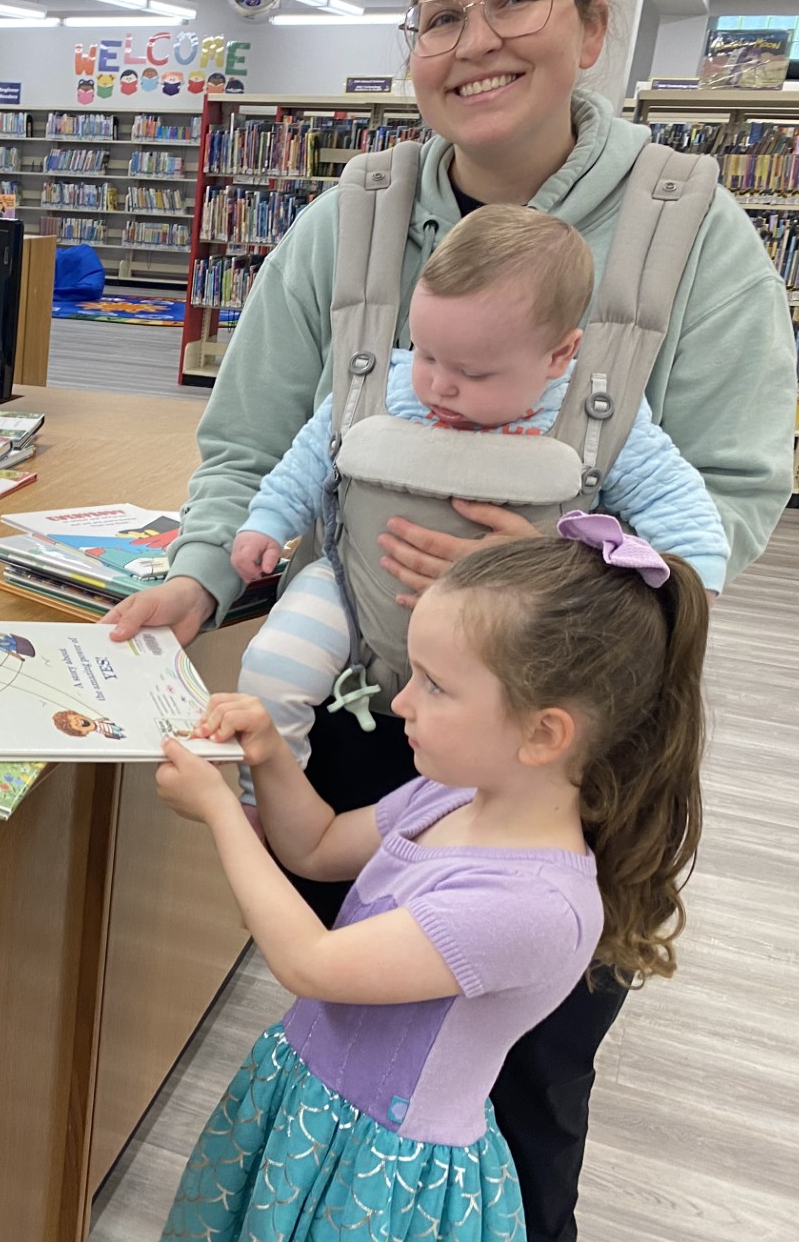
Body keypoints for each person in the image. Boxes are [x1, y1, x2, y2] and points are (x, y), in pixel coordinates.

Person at [103, 0, 796, 1242]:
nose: (473, 41)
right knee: (355, 1032)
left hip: (557, 751)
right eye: (437, 13)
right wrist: (202, 571)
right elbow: (257, 442)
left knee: (525, 1078)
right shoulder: (346, 219)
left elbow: (725, 499)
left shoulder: (689, 231)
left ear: (595, 25)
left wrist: (554, 577)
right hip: (371, 722)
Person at [148, 517, 709, 1242]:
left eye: (436, 687)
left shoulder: (530, 904)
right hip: (319, 1118)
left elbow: (313, 963)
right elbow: (323, 843)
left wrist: (222, 815)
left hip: (388, 1176)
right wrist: (265, 759)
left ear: (544, 733)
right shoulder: (457, 789)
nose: (398, 701)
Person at [230, 207, 728, 799]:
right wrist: (266, 522)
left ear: (559, 355)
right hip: (353, 586)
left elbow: (681, 511)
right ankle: (260, 794)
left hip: (507, 628)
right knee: (271, 668)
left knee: (497, 747)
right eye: (426, 353)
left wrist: (683, 586)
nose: (439, 384)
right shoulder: (382, 388)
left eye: (473, 371)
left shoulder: (599, 417)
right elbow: (313, 454)